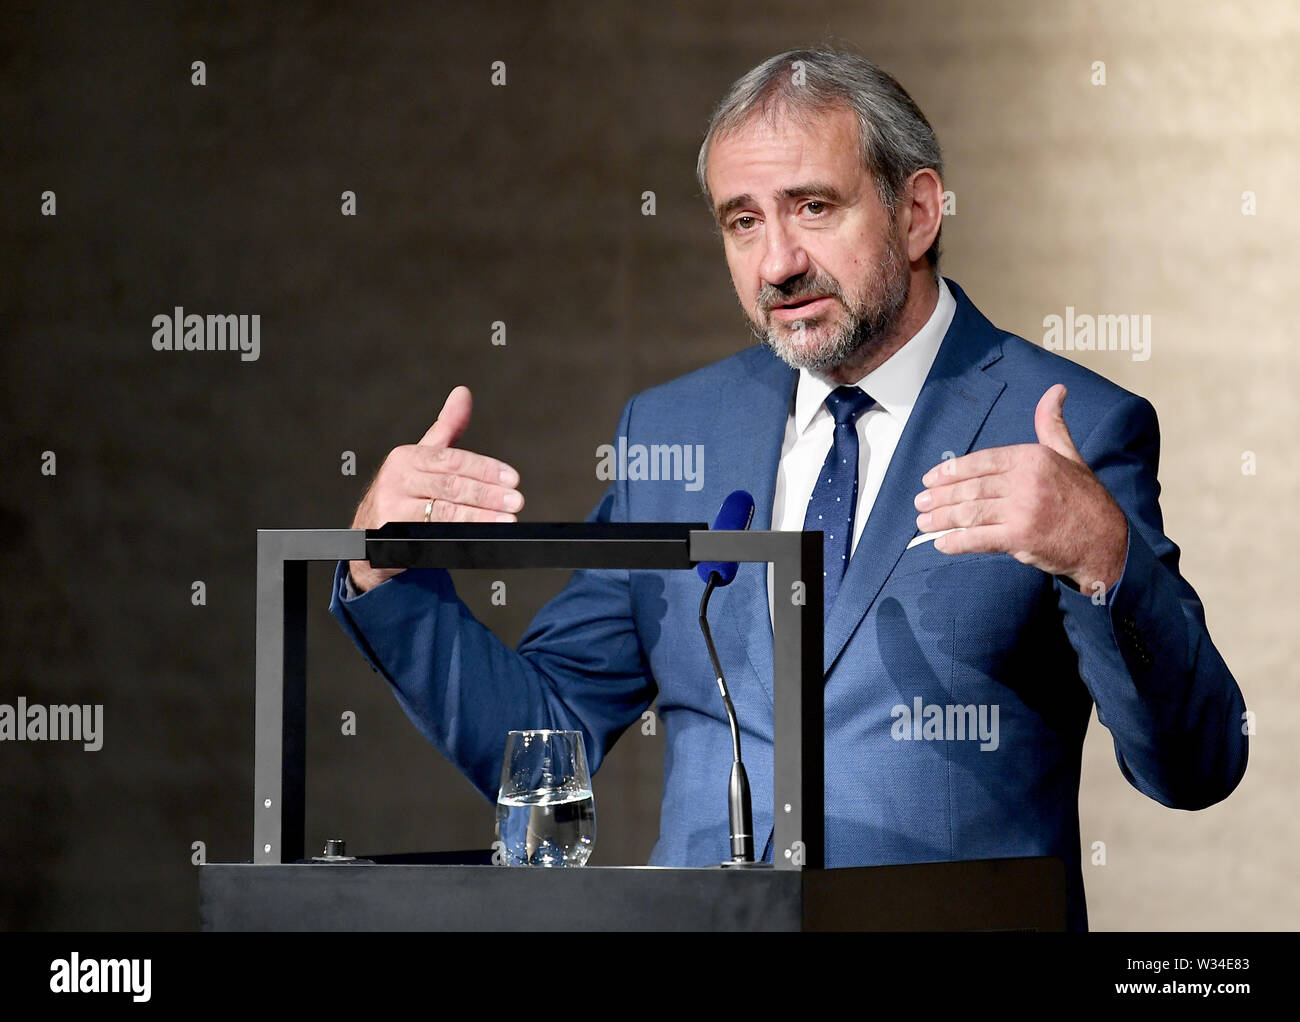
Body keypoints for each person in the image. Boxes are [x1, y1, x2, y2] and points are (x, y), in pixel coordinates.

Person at [329, 48, 1248, 930]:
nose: (776, 263)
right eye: (742, 220)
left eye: (813, 207)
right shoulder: (677, 432)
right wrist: (388, 572)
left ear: (918, 210)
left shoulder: (1071, 423)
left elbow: (1196, 765)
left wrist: (1104, 557)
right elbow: (540, 739)